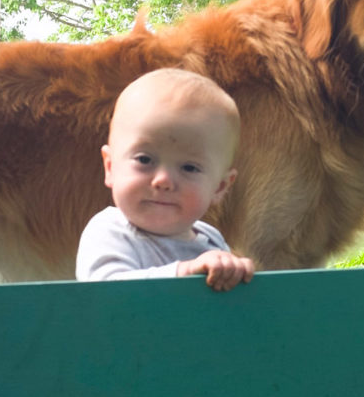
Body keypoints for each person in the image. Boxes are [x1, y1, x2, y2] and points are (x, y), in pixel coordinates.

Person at [78, 68, 258, 290]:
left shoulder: (212, 241)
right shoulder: (110, 231)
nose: (163, 180)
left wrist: (235, 276)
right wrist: (183, 272)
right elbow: (103, 292)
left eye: (189, 168)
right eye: (144, 160)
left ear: (219, 188)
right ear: (110, 167)